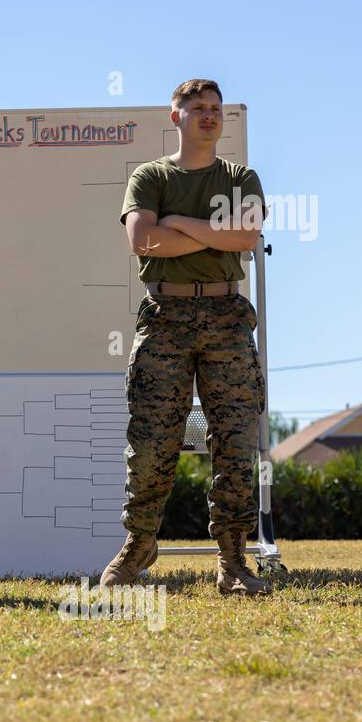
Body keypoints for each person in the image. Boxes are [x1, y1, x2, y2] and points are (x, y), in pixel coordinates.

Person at [101, 79, 271, 596]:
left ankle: (235, 560)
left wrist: (177, 222)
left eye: (216, 108)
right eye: (197, 107)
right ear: (175, 116)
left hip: (225, 314)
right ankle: (138, 547)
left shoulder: (241, 178)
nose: (208, 115)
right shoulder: (151, 175)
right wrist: (200, 230)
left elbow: (245, 238)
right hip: (166, 315)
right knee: (152, 443)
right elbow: (142, 240)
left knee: (236, 443)